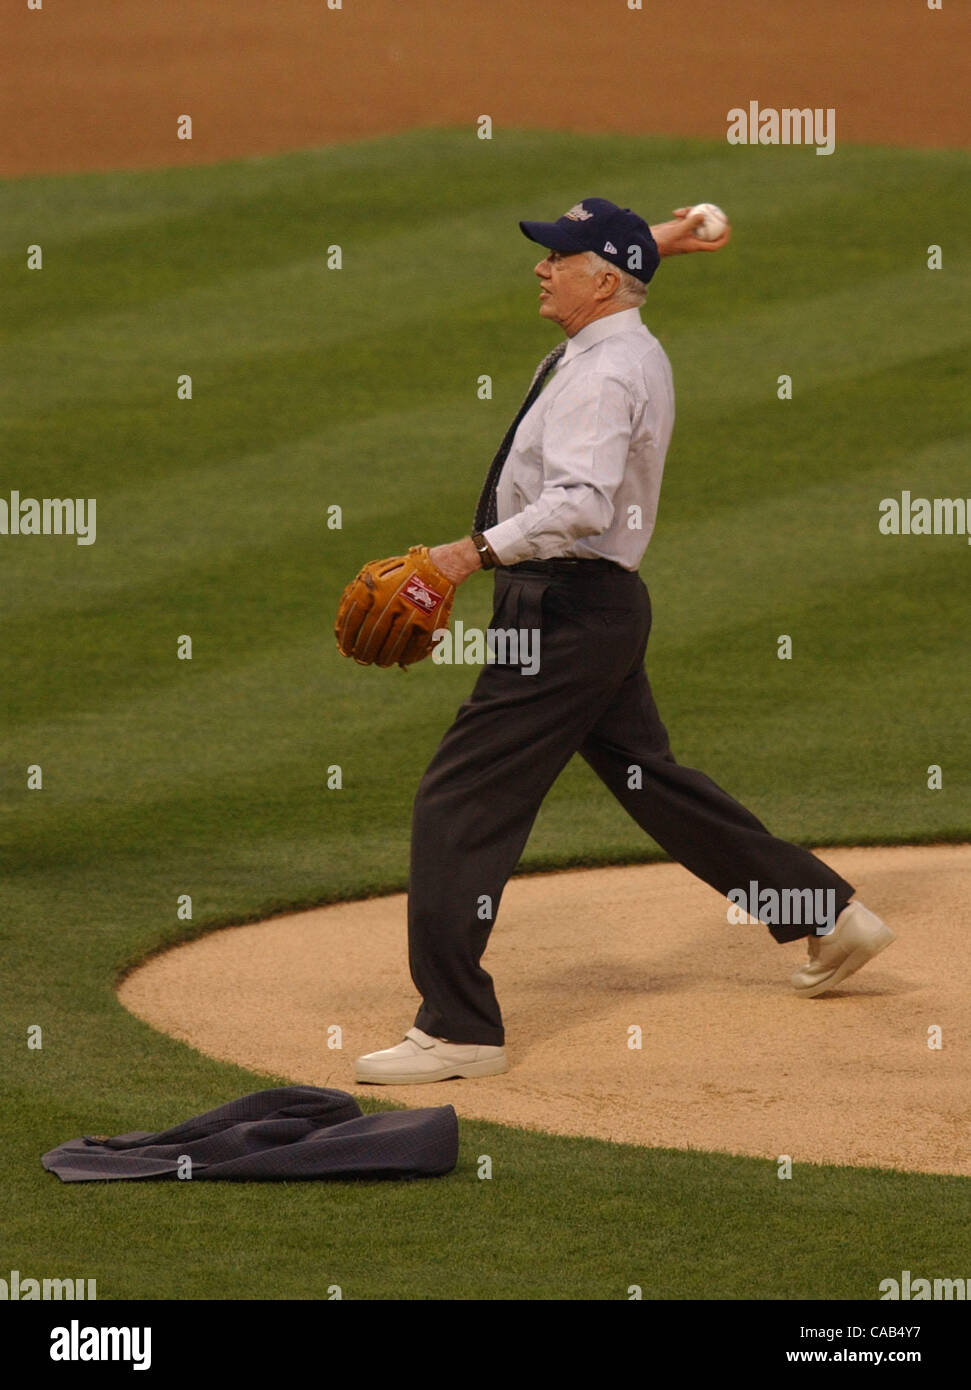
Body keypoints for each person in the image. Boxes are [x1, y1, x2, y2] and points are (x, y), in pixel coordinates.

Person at [355, 197, 894, 1085]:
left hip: (563, 614)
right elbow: (620, 282)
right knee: (655, 783)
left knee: (458, 803)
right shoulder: (615, 336)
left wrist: (460, 556)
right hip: (590, 611)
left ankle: (458, 1028)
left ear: (601, 282)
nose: (540, 266)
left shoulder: (605, 375)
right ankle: (824, 916)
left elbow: (580, 504)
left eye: (558, 257)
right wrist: (662, 241)